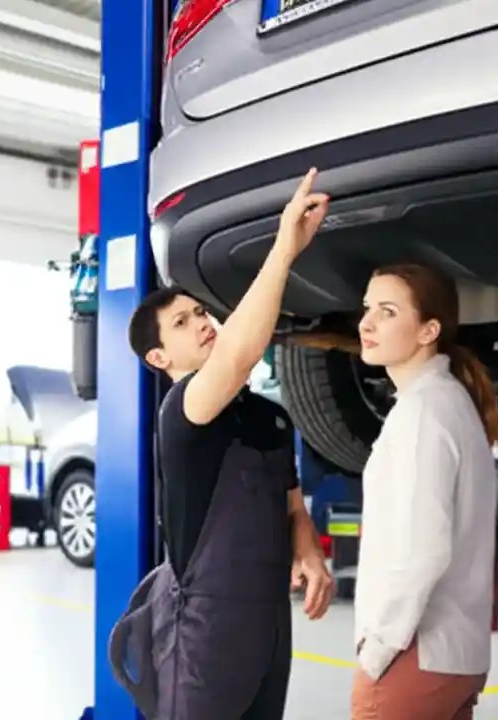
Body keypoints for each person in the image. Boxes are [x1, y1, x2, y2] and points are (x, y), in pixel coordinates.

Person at [107, 168, 335, 720]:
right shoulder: (184, 411)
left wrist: (308, 552)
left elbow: (291, 506)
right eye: (183, 323)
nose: (203, 324)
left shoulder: (271, 419)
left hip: (268, 626)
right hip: (203, 632)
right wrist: (284, 248)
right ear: (159, 359)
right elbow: (238, 355)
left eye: (201, 313)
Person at [349, 263, 498, 719]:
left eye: (388, 311)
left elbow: (425, 548)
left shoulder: (423, 412)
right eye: (367, 308)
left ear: (428, 330)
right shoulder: (450, 401)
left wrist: (379, 649)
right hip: (455, 657)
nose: (366, 323)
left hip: (414, 657)